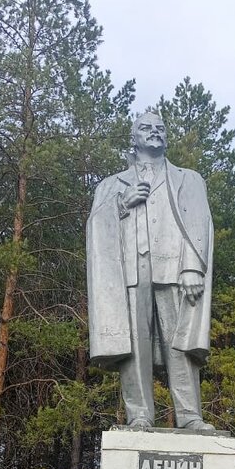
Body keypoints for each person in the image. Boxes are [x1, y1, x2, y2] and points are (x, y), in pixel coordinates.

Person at [86, 111, 215, 431]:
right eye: (146, 128)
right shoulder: (110, 185)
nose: (154, 132)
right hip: (131, 270)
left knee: (180, 343)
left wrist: (192, 267)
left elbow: (200, 222)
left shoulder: (189, 178)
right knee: (134, 345)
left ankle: (189, 415)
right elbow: (95, 228)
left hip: (175, 268)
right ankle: (139, 414)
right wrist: (122, 203)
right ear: (134, 137)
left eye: (160, 128)